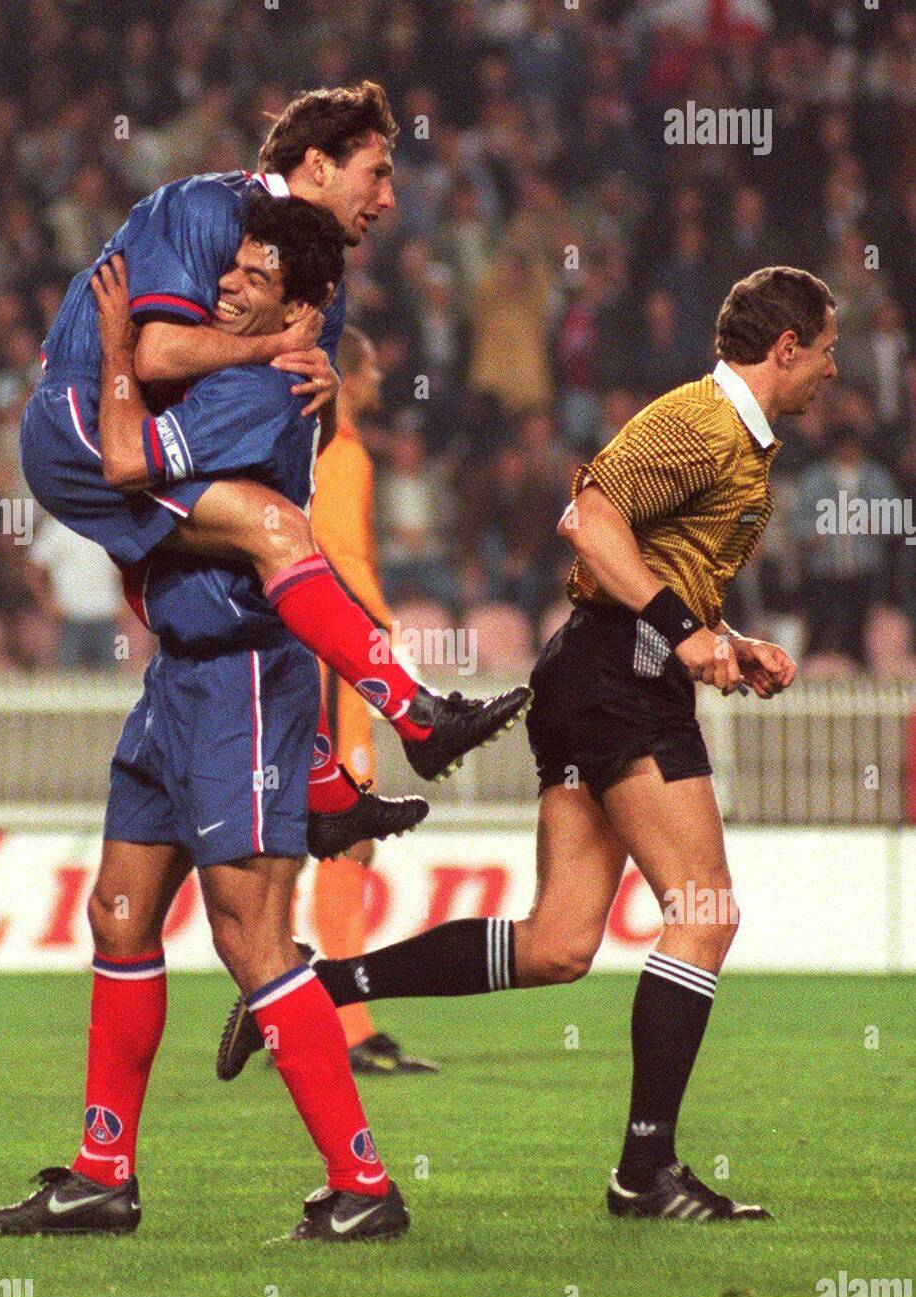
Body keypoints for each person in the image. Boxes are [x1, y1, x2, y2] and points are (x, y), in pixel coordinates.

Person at [219, 267, 838, 1223]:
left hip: (599, 673)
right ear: (786, 348)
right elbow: (586, 520)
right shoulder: (703, 421)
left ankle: (316, 983)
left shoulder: (739, 442)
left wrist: (726, 641)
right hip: (620, 679)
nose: (834, 372)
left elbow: (650, 559)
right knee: (705, 914)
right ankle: (646, 1173)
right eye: (828, 351)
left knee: (556, 946)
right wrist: (685, 634)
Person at [0, 201, 410, 1244]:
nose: (226, 284)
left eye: (253, 276)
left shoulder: (261, 387)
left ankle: (363, 1187)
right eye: (228, 269)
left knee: (247, 933)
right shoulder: (253, 367)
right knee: (120, 914)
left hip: (241, 677)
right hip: (179, 680)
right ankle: (101, 1174)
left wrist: (122, 347)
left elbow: (124, 459)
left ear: (299, 305)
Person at [19, 79, 530, 836]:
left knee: (269, 584)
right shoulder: (200, 208)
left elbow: (292, 443)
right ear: (318, 165)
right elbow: (154, 352)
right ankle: (416, 716)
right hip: (87, 423)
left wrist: (320, 391)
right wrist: (274, 345)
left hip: (169, 439)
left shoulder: (325, 285)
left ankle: (323, 791)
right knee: (272, 537)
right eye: (378, 172)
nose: (388, 198)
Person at [219, 326, 438, 1080]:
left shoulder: (304, 447)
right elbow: (339, 563)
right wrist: (380, 654)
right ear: (350, 374)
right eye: (374, 368)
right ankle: (336, 1023)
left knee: (316, 836)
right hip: (338, 664)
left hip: (311, 657)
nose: (379, 382)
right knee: (346, 836)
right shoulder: (342, 451)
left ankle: (306, 1012)